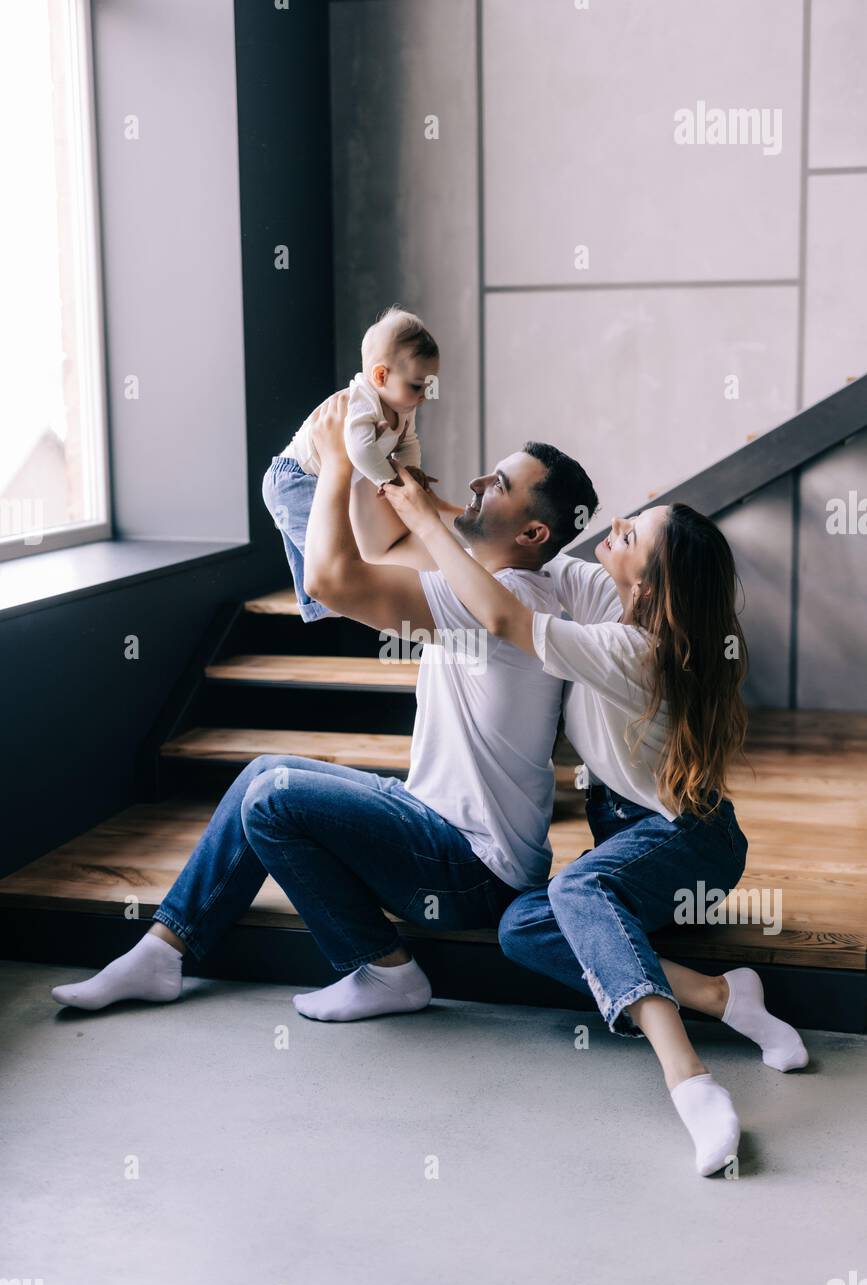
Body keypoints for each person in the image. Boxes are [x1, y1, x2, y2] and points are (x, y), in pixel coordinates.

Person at [51, 392, 597, 1028]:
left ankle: (385, 971)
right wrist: (380, 458)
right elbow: (380, 547)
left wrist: (337, 463)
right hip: (441, 829)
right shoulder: (508, 580)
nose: (478, 482)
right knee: (263, 770)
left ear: (534, 534)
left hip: (470, 871)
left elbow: (329, 580)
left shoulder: (498, 596)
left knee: (274, 799)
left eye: (499, 484)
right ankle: (160, 952)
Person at [383, 466, 809, 1178]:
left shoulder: (630, 649)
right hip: (635, 833)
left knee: (577, 894)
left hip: (686, 839)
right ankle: (718, 993)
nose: (615, 526)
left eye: (631, 534)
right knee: (523, 926)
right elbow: (515, 556)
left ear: (646, 585)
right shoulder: (604, 601)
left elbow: (504, 616)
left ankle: (689, 1080)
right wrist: (433, 503)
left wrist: (425, 522)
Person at [261, 305, 444, 622]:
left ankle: (321, 604)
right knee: (324, 551)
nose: (424, 395)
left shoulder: (404, 406)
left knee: (330, 549)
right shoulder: (361, 402)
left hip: (324, 479)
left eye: (429, 386)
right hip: (293, 479)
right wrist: (390, 482)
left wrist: (411, 470)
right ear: (380, 376)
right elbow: (359, 451)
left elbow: (409, 442)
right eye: (417, 386)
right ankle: (324, 601)